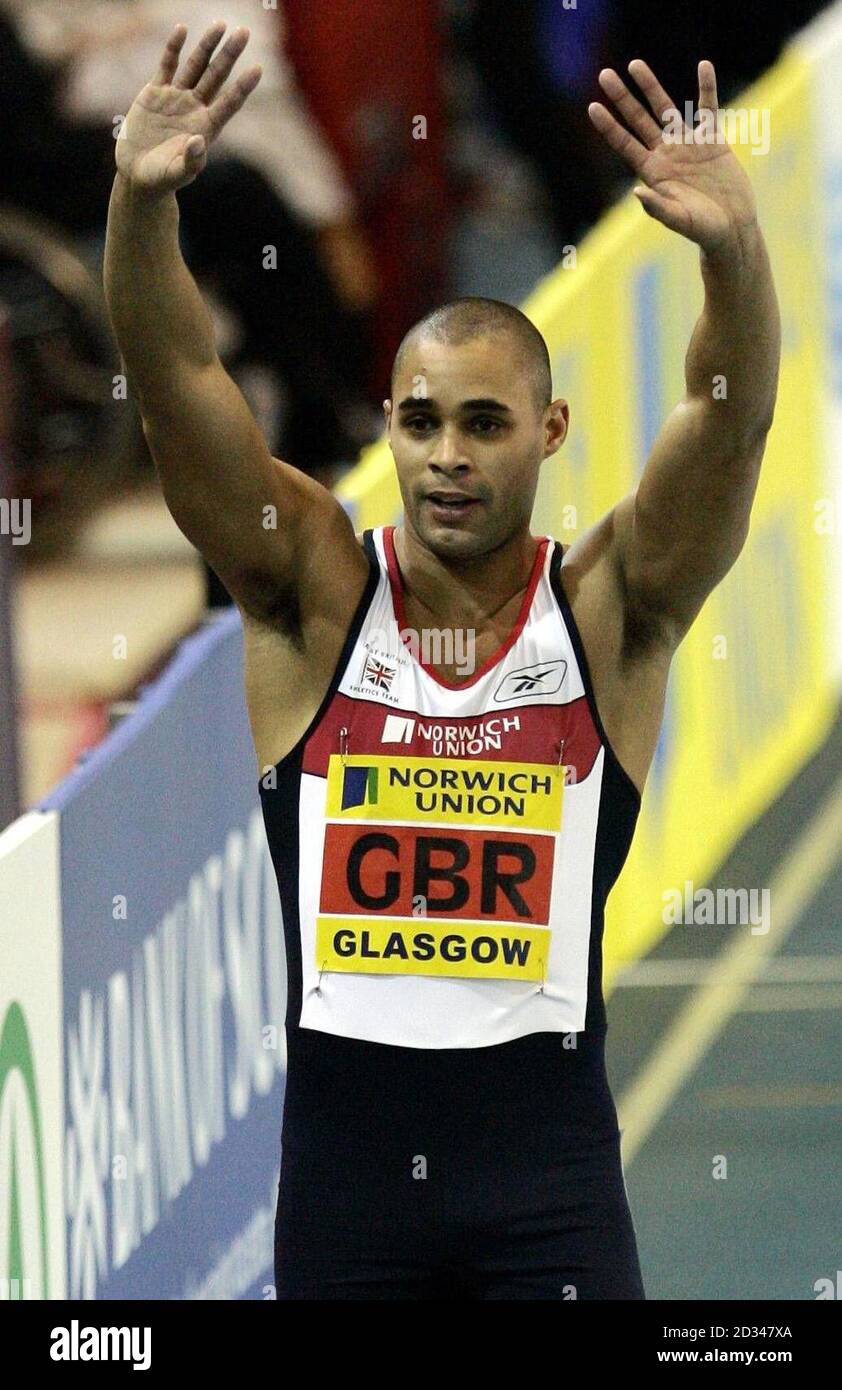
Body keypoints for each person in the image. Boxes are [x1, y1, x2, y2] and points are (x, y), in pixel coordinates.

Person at [103, 22, 780, 1299]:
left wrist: (736, 252)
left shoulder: (606, 613)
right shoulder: (310, 597)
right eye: (419, 422)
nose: (447, 455)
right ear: (393, 430)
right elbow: (176, 369)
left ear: (549, 431)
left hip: (551, 1214)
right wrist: (141, 213)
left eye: (483, 423)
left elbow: (729, 419)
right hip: (347, 1224)